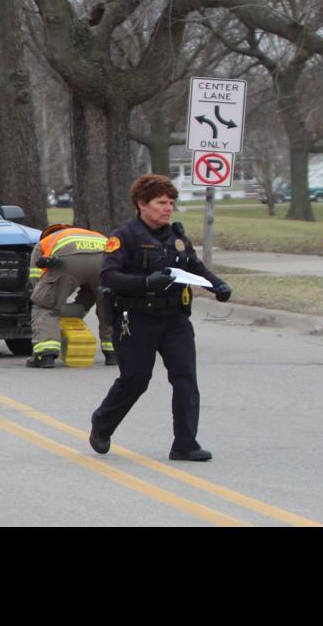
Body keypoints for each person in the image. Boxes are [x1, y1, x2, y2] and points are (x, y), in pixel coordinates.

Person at [88, 174, 232, 461]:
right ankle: (102, 425)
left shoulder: (176, 236)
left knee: (185, 378)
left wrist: (217, 285)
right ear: (142, 204)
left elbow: (195, 266)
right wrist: (145, 282)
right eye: (161, 203)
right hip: (136, 317)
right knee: (136, 379)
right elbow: (108, 276)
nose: (168, 208)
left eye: (171, 203)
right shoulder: (124, 236)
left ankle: (185, 444)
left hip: (174, 318)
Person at [25, 224, 116, 367]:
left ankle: (45, 356)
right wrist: (76, 309)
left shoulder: (44, 242)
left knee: (45, 306)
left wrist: (47, 296)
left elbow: (36, 277)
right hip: (104, 257)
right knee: (107, 304)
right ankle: (113, 354)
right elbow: (90, 285)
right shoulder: (89, 234)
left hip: (67, 258)